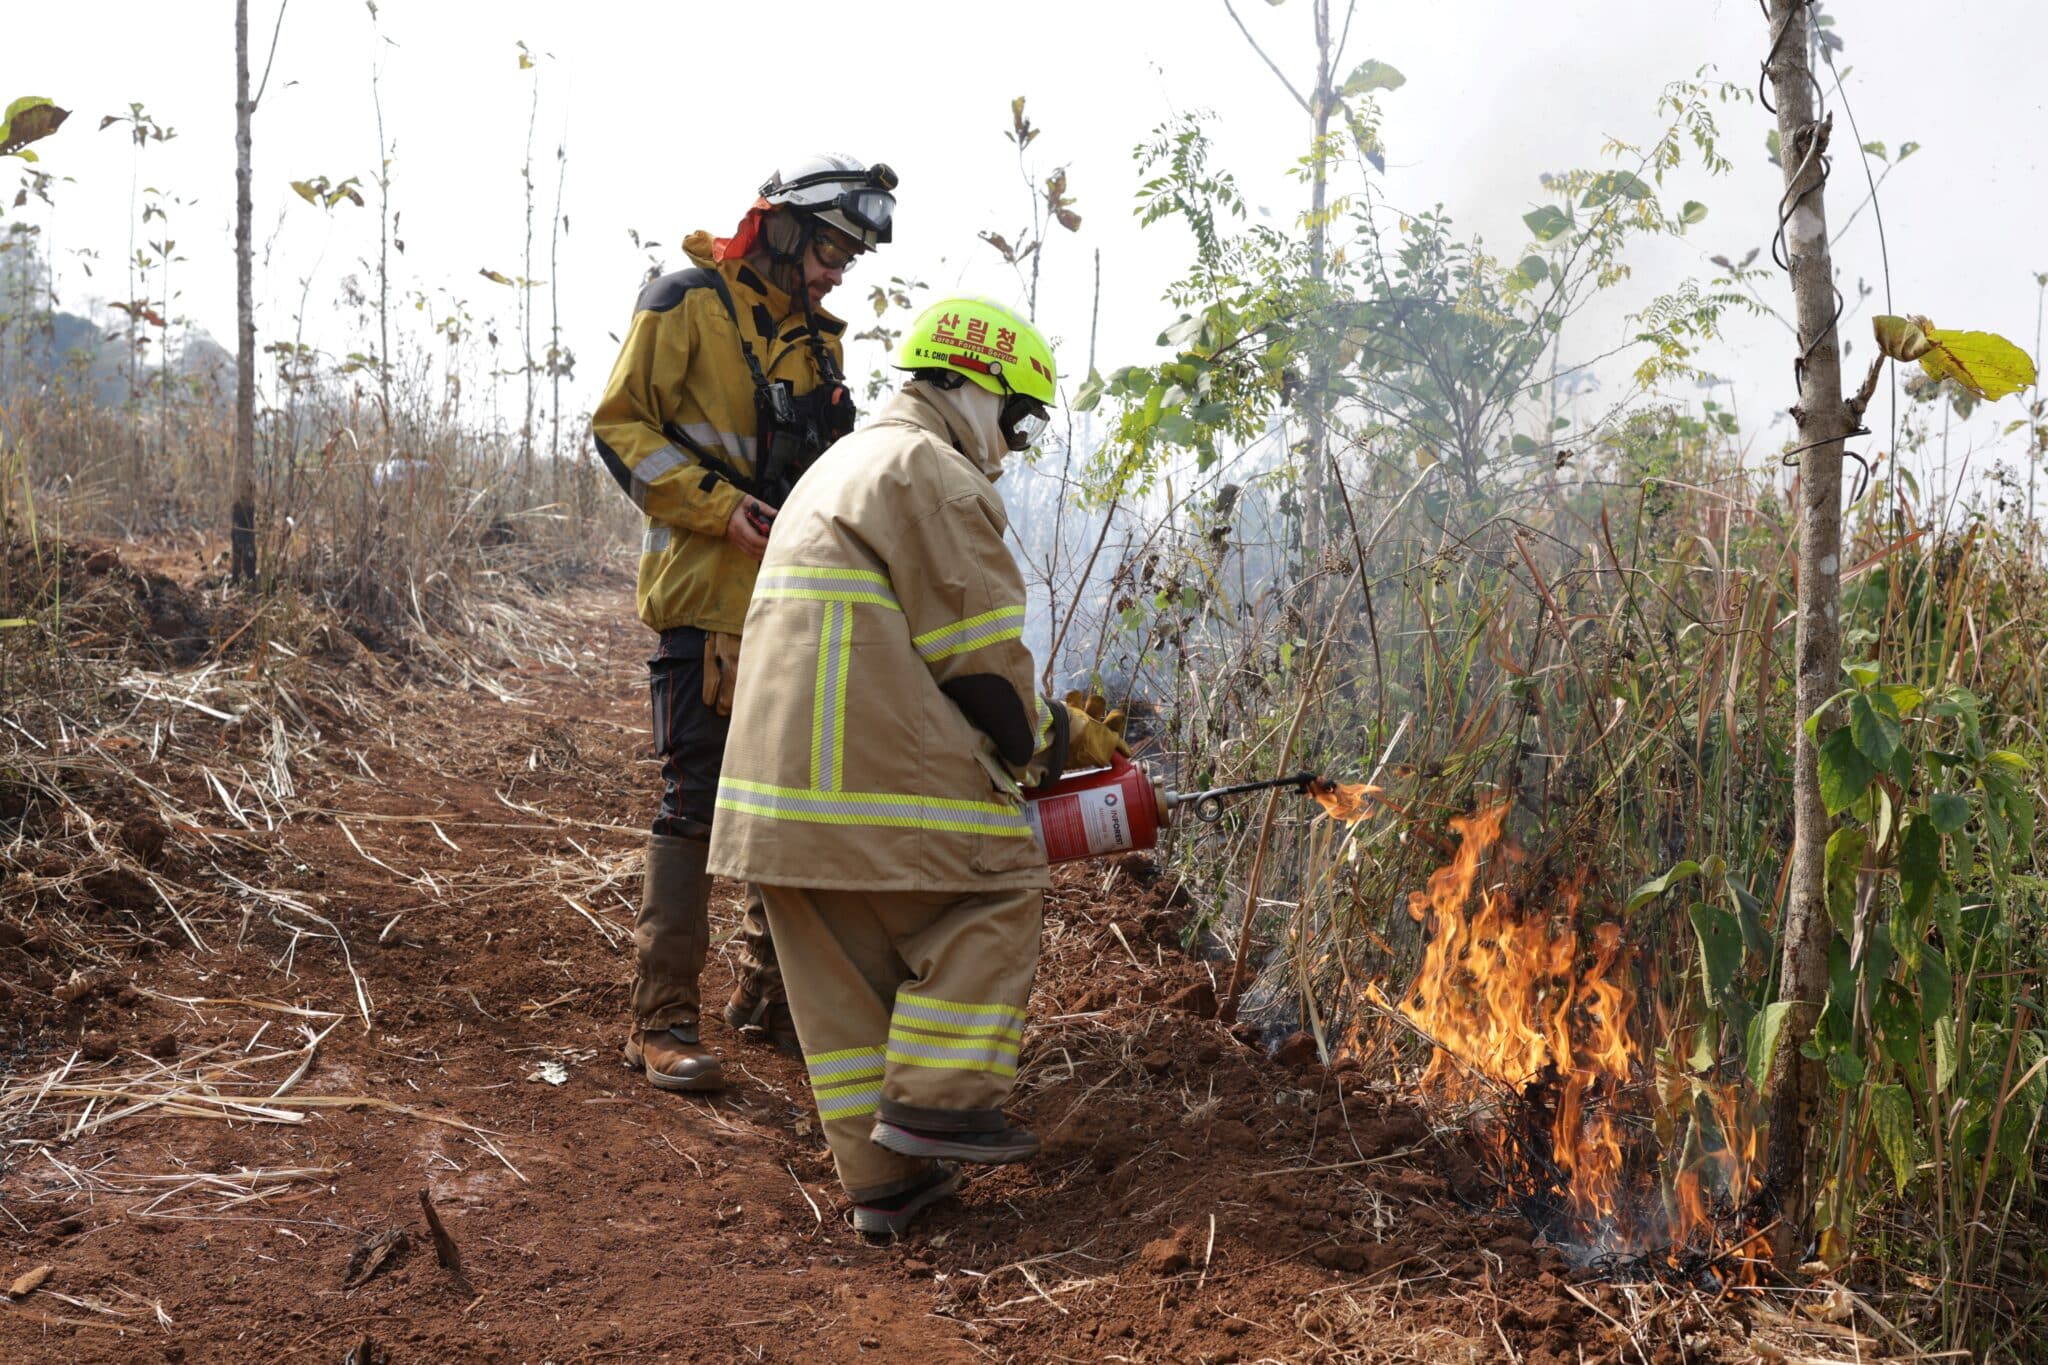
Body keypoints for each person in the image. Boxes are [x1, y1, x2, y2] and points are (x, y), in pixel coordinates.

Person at [707, 297, 1129, 1234]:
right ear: (976, 386)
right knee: (1000, 885)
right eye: (1017, 420)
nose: (1012, 446)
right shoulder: (931, 471)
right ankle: (941, 1101)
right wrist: (1058, 738)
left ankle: (887, 1184)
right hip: (859, 785)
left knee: (844, 985)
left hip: (775, 805)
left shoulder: (840, 464)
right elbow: (980, 667)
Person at [591, 154, 898, 1092]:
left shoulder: (821, 344)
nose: (836, 273)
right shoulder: (685, 302)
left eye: (848, 259)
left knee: (792, 807)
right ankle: (660, 1022)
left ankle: (770, 999)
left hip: (797, 607)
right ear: (785, 227)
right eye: (831, 251)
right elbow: (620, 427)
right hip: (706, 602)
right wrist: (720, 508)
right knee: (695, 802)